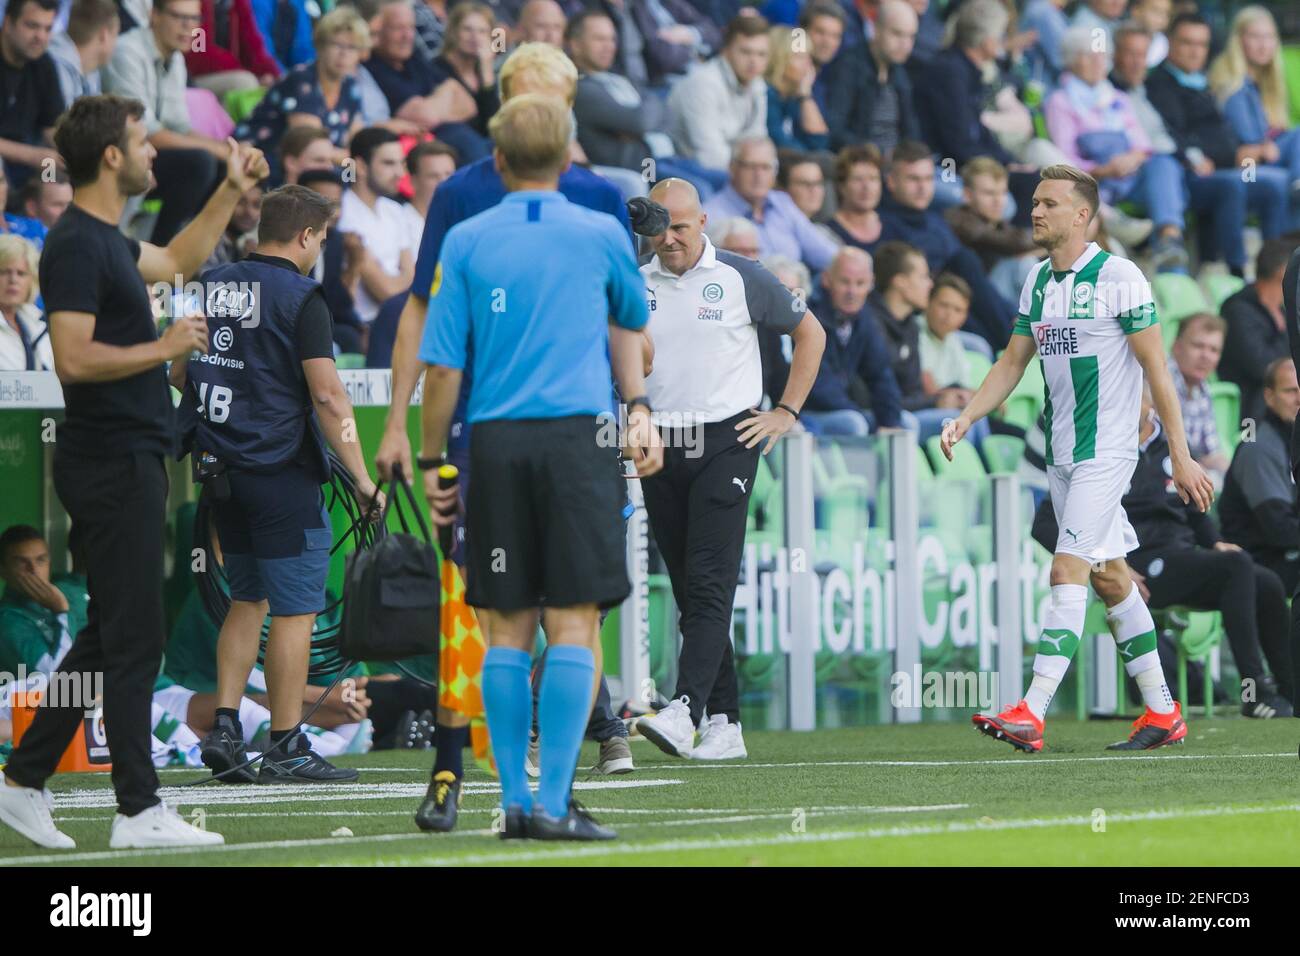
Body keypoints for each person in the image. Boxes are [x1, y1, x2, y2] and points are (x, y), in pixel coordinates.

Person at [374, 42, 632, 833]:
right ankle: (528, 791)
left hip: (495, 436)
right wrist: (641, 406)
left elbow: (441, 351)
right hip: (566, 437)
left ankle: (523, 794)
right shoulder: (583, 216)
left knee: (513, 619)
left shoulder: (489, 225)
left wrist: (429, 450)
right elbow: (630, 325)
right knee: (555, 616)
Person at [0, 93, 268, 850]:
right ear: (112, 157)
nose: (155, 152)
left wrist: (228, 187)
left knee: (110, 636)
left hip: (132, 456)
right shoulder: (77, 245)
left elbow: (180, 260)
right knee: (135, 639)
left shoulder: (109, 240)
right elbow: (75, 360)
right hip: (110, 460)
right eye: (143, 142)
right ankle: (137, 809)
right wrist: (164, 345)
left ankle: (21, 780)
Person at [943, 163, 1214, 753]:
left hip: (1107, 453)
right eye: (1035, 202)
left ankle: (1030, 711)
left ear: (1083, 215)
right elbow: (1013, 362)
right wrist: (968, 417)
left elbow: (1157, 371)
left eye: (1048, 203)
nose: (1035, 211)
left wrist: (1180, 456)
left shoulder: (1120, 276)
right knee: (1112, 579)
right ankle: (1164, 713)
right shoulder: (1038, 280)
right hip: (1061, 455)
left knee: (1065, 570)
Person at [172, 184, 385, 785]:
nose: (319, 247)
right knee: (296, 612)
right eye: (320, 237)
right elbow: (327, 393)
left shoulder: (212, 283)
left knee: (247, 600)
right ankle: (288, 742)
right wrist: (363, 479)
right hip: (281, 474)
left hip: (220, 473)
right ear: (306, 236)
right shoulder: (302, 295)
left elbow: (176, 369)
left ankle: (228, 729)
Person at [633, 177, 826, 760]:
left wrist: (786, 411)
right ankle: (727, 723)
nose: (670, 239)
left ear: (703, 223)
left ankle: (684, 707)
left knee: (711, 580)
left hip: (728, 438)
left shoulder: (743, 277)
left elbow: (809, 332)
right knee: (693, 589)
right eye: (660, 228)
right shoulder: (635, 283)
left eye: (681, 227)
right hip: (661, 441)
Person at [1031, 384, 1295, 717]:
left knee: (1266, 582)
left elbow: (1194, 503)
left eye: (1133, 397)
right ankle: (1253, 691)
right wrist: (1106, 565)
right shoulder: (1098, 454)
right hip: (1135, 564)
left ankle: (1290, 691)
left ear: (1151, 404)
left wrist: (1213, 541)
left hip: (1179, 555)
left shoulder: (1172, 450)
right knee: (1237, 566)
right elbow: (1044, 523)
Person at [1145, 13, 1294, 257]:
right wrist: (1232, 155)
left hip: (1233, 165)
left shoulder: (1201, 82)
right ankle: (1231, 268)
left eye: (1201, 45)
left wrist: (1242, 153)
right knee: (1234, 184)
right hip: (1196, 173)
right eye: (1187, 43)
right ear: (1170, 42)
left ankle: (1278, 266)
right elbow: (1172, 134)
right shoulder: (1159, 83)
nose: (1195, 52)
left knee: (1277, 183)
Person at [103, 0, 237, 244]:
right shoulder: (127, 51)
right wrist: (214, 149)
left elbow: (180, 126)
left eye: (194, 20)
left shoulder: (176, 59)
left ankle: (194, 251)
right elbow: (144, 131)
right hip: (118, 154)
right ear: (154, 15)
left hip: (148, 151)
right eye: (179, 17)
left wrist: (228, 149)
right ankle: (160, 249)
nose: (188, 27)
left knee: (224, 165)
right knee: (200, 163)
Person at [877, 141, 1017, 350]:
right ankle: (1012, 340)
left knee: (967, 263)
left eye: (927, 179)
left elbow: (977, 282)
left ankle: (1015, 331)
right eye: (913, 179)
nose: (922, 187)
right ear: (891, 182)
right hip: (926, 309)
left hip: (957, 301)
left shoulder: (935, 219)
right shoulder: (883, 225)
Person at [233, 7, 369, 160]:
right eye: (336, 44)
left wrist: (360, 159)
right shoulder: (301, 79)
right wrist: (355, 160)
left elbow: (358, 139)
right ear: (320, 45)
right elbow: (311, 147)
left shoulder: (351, 86)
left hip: (320, 166)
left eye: (352, 47)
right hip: (260, 161)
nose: (344, 54)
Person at [1220, 357, 1300, 597]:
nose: (1299, 399)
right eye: (1290, 391)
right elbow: (1280, 530)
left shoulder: (1291, 439)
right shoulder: (1259, 446)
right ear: (1269, 396)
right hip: (1260, 563)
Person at [802, 245, 903, 435]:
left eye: (860, 283)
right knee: (855, 423)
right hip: (805, 413)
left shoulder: (864, 318)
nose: (852, 291)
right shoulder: (808, 316)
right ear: (826, 279)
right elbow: (819, 386)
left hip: (844, 408)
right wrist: (863, 416)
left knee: (904, 424)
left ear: (871, 283)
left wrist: (890, 422)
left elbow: (881, 375)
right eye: (845, 282)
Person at [703, 136, 838, 271]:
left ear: (775, 171)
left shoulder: (782, 202)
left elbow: (826, 254)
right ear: (732, 168)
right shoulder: (710, 214)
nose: (759, 175)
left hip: (794, 288)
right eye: (751, 167)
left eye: (766, 167)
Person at [1209, 6, 1300, 204]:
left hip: (1258, 161)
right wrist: (1268, 144)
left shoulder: (1264, 84)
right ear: (1238, 40)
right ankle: (1298, 184)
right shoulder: (1234, 86)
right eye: (1255, 37)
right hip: (1246, 169)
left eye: (1269, 37)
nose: (1263, 45)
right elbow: (1251, 144)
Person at [666, 13, 769, 172]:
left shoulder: (757, 84)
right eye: (746, 52)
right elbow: (710, 154)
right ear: (726, 51)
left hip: (736, 168)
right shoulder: (702, 83)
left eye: (761, 54)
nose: (754, 61)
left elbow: (757, 139)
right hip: (688, 167)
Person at [338, 126, 417, 328]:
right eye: (389, 163)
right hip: (365, 326)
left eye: (402, 163)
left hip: (401, 319)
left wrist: (398, 280)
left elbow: (413, 275)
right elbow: (385, 291)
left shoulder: (395, 210)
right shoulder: (343, 213)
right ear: (362, 167)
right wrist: (402, 279)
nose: (400, 173)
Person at [820, 0, 918, 155]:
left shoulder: (900, 72)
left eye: (911, 36)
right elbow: (835, 129)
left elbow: (912, 132)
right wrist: (873, 155)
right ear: (876, 29)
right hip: (860, 163)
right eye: (897, 33)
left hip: (897, 166)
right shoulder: (849, 66)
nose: (905, 44)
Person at [943, 157, 1040, 307]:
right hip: (975, 299)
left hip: (999, 295)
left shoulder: (997, 222)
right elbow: (1017, 242)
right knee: (1022, 263)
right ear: (968, 195)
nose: (998, 201)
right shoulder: (958, 220)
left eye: (1002, 193)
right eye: (989, 193)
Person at [1220, 238, 1297, 418]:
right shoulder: (1237, 310)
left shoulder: (1282, 310)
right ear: (1283, 273)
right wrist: (1283, 328)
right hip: (1248, 415)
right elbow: (1262, 367)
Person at [0, 0, 64, 190]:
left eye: (48, 28)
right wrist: (32, 155)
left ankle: (45, 212)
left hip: (27, 164)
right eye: (32, 26)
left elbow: (52, 130)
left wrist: (71, 155)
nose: (41, 37)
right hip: (9, 161)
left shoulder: (44, 65)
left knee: (55, 178)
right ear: (8, 23)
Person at [1167, 312, 1231, 486]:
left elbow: (1210, 453)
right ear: (1177, 346)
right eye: (1198, 346)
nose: (1206, 356)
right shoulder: (1157, 382)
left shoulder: (1203, 390)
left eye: (1214, 350)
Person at [183, 0, 281, 95]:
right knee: (244, 82)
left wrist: (268, 72)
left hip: (230, 72)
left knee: (278, 86)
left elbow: (252, 44)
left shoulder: (237, 3)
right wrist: (244, 70)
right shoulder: (193, 4)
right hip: (189, 78)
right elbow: (198, 54)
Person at [764, 25, 828, 153]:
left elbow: (819, 141)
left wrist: (805, 95)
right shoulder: (766, 94)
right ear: (778, 58)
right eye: (799, 57)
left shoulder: (792, 96)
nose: (808, 64)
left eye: (808, 56)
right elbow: (780, 143)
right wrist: (810, 159)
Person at [47, 0, 119, 107]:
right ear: (104, 35)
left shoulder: (91, 70)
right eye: (115, 35)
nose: (116, 43)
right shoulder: (55, 70)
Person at [0, 234, 51, 370]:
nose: (13, 280)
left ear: (31, 280)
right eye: (4, 272)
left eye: (21, 273)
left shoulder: (39, 322)